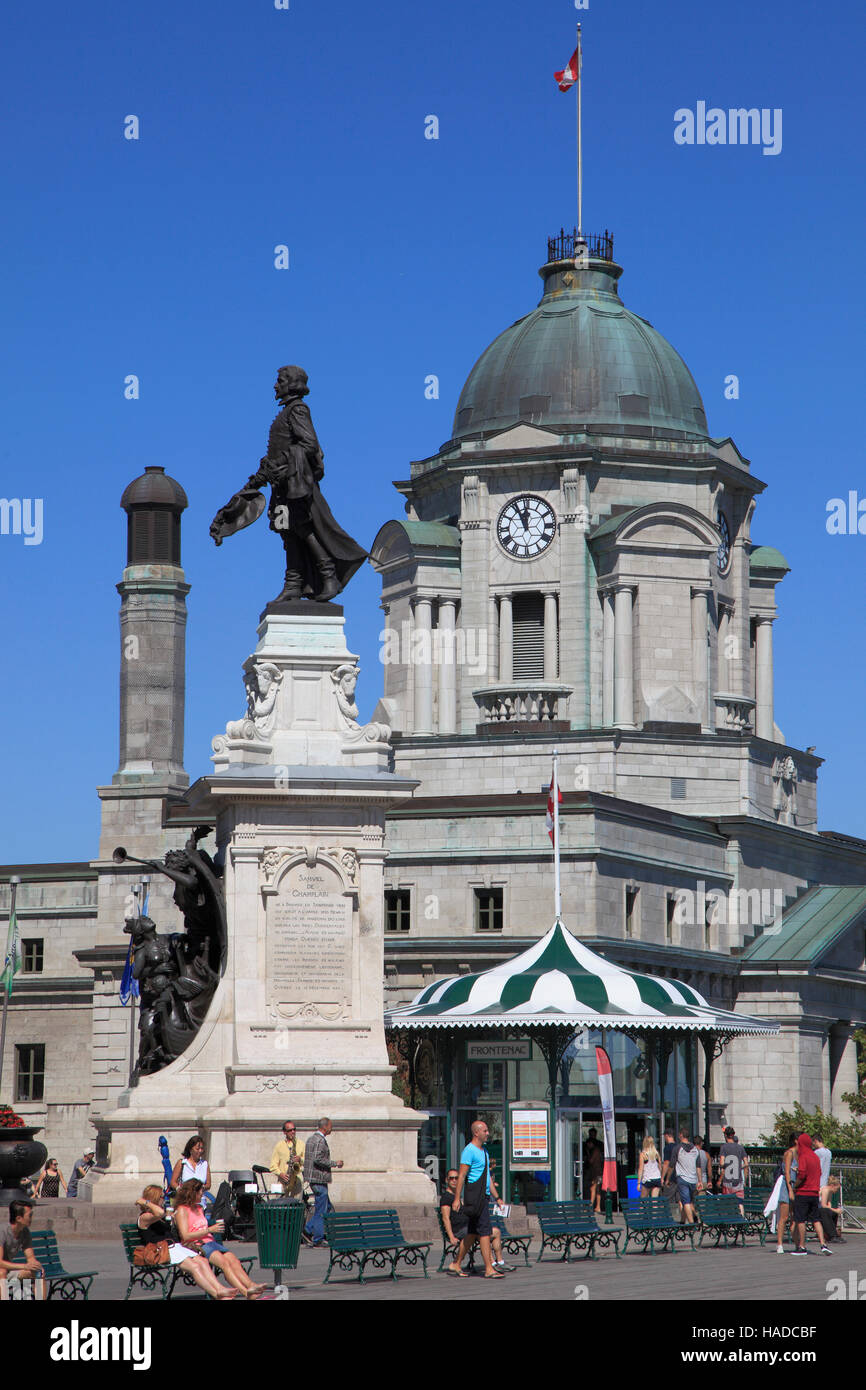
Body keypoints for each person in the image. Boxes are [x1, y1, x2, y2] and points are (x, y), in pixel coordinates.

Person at [135, 1186, 237, 1301]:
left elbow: (161, 1216)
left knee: (202, 1261)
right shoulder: (145, 1217)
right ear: (154, 1198)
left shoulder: (157, 1218)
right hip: (162, 1251)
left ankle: (220, 1288)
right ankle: (217, 1293)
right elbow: (159, 1212)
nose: (164, 1199)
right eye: (161, 1197)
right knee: (194, 1267)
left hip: (175, 1247)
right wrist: (145, 1202)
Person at [173, 1179, 266, 1297]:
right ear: (192, 1192)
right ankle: (245, 1292)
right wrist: (209, 1230)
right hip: (198, 1245)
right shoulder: (182, 1210)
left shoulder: (199, 1208)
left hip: (210, 1241)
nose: (203, 1193)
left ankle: (251, 1285)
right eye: (200, 1190)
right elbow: (185, 1236)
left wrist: (210, 1231)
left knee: (234, 1261)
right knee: (224, 1263)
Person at [450, 1120, 505, 1279]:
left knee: (473, 1233)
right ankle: (489, 1268)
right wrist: (457, 1198)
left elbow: (487, 1178)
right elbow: (461, 1176)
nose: (488, 1133)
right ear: (476, 1133)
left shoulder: (485, 1152)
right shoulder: (469, 1151)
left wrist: (498, 1198)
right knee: (485, 1232)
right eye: (485, 1131)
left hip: (484, 1197)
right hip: (474, 1197)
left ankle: (456, 1263)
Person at [442, 1164, 516, 1276]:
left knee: (495, 1231)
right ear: (446, 1180)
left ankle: (499, 1261)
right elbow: (446, 1218)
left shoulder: (459, 1196)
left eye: (456, 1178)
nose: (454, 1180)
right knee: (482, 1233)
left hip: (467, 1226)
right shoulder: (446, 1198)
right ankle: (491, 1264)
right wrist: (451, 1236)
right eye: (451, 1178)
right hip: (458, 1229)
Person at [303, 1117, 343, 1247]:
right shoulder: (320, 1141)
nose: (332, 1128)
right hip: (319, 1179)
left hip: (313, 1178)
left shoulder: (311, 1139)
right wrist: (334, 1163)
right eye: (330, 1125)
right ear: (324, 1127)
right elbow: (318, 1159)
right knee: (322, 1209)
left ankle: (308, 1230)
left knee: (326, 1206)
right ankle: (317, 1238)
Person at [791, 1133, 830, 1256]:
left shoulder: (803, 1156)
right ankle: (823, 1244)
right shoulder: (814, 1156)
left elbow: (802, 1174)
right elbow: (818, 1172)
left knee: (800, 1219)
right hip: (814, 1191)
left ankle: (802, 1246)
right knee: (816, 1219)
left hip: (803, 1192)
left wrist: (795, 1185)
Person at [0, 1200, 44, 1291]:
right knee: (2, 1272)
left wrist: (36, 1266)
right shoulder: (2, 1231)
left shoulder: (25, 1232)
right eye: (29, 1215)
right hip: (2, 1271)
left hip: (8, 1271)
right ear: (19, 1218)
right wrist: (24, 1266)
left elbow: (30, 1257)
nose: (31, 1218)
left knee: (38, 1273)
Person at [769, 1131, 799, 1253]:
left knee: (795, 1217)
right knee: (784, 1216)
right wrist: (790, 1189)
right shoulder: (789, 1153)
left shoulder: (799, 1154)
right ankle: (780, 1244)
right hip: (787, 1187)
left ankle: (797, 1243)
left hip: (796, 1186)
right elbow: (786, 1172)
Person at [663, 1127, 699, 1225]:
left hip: (682, 1178)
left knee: (686, 1201)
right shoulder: (695, 1149)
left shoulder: (677, 1148)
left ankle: (692, 1222)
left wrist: (667, 1178)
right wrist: (699, 1180)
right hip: (693, 1178)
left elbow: (671, 1165)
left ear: (681, 1135)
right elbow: (698, 1166)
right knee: (685, 1200)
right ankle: (684, 1220)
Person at [269, 1120, 306, 1198]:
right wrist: (281, 1174)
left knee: (296, 1205)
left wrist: (300, 1159)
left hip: (297, 1179)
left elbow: (307, 1161)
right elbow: (273, 1165)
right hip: (284, 1179)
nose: (293, 1132)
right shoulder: (279, 1145)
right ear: (284, 1132)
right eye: (290, 1130)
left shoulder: (301, 1144)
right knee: (280, 1205)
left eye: (294, 1129)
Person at [717, 1126, 749, 1213]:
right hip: (738, 1180)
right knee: (739, 1202)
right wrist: (739, 1167)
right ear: (733, 1134)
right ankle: (741, 1220)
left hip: (727, 1180)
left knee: (728, 1203)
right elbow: (746, 1163)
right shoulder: (740, 1148)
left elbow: (722, 1163)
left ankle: (730, 1223)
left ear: (725, 1135)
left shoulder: (723, 1147)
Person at [818, 1176, 846, 1244]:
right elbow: (823, 1205)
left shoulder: (830, 1192)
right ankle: (832, 1236)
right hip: (816, 1209)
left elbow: (829, 1205)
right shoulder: (825, 1190)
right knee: (825, 1211)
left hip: (822, 1209)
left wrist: (835, 1210)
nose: (837, 1191)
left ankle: (834, 1233)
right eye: (836, 1188)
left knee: (832, 1213)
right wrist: (835, 1210)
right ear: (832, 1186)